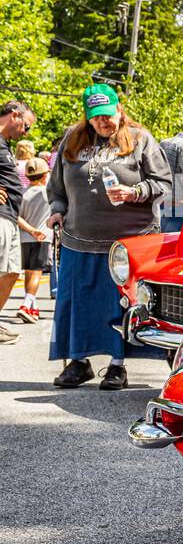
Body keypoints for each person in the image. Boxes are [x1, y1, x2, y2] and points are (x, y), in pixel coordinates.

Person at [46, 84, 171, 390]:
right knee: (77, 302)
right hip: (78, 239)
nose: (104, 122)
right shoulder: (72, 141)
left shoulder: (141, 140)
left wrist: (135, 191)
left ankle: (117, 367)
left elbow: (164, 182)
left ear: (119, 109)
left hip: (128, 243)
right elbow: (57, 187)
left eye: (108, 114)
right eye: (96, 117)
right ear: (88, 118)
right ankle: (79, 363)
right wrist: (57, 210)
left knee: (120, 305)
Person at [0, 100, 35, 346]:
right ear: (14, 115)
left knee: (11, 272)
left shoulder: (5, 145)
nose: (26, 132)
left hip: (11, 215)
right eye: (26, 125)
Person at [15, 158, 52, 323]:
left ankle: (32, 308)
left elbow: (16, 217)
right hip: (42, 237)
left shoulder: (22, 193)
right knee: (36, 273)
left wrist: (29, 230)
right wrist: (36, 231)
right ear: (44, 176)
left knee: (29, 273)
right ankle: (25, 304)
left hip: (23, 238)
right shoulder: (48, 193)